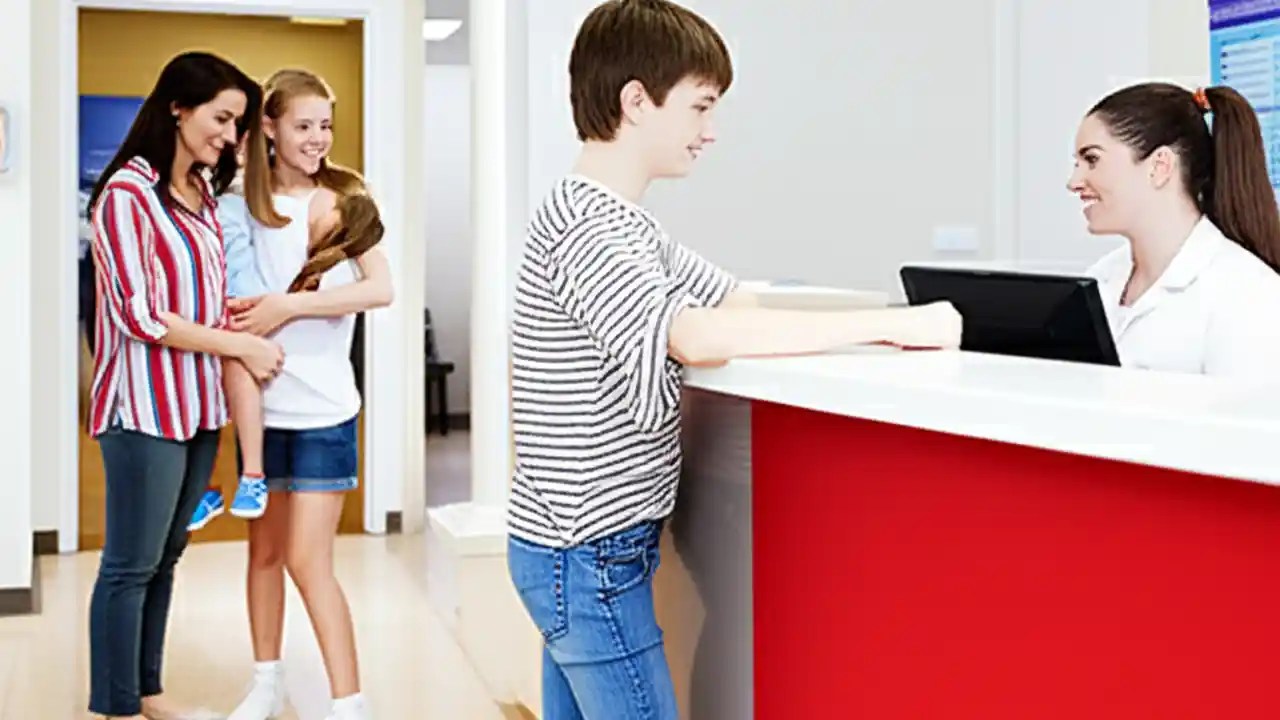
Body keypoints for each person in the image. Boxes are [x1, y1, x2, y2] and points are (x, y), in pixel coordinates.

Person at [505, 1, 961, 718]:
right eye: (700, 107)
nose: (710, 132)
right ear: (635, 101)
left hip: (582, 548)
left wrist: (895, 321)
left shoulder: (622, 222)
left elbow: (735, 300)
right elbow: (692, 336)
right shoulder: (588, 227)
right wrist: (895, 329)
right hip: (583, 554)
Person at [85, 51, 283, 720]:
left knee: (165, 558)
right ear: (178, 106)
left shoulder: (200, 197)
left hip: (197, 407)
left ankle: (147, 694)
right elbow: (139, 314)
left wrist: (256, 323)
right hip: (141, 410)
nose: (230, 136)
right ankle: (114, 707)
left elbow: (208, 299)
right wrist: (238, 345)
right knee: (130, 563)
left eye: (237, 125)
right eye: (222, 118)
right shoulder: (125, 195)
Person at [220, 68, 392, 720]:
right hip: (262, 412)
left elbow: (381, 289)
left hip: (324, 412)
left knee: (306, 561)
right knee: (262, 554)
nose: (318, 138)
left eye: (325, 124)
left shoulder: (344, 203)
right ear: (268, 126)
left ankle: (350, 703)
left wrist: (283, 307)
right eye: (303, 125)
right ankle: (267, 683)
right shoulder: (238, 206)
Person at [1068, 82, 1280, 376]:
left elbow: (1247, 420)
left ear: (1160, 166)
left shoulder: (1249, 295)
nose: (1074, 182)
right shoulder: (1097, 280)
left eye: (1091, 160)